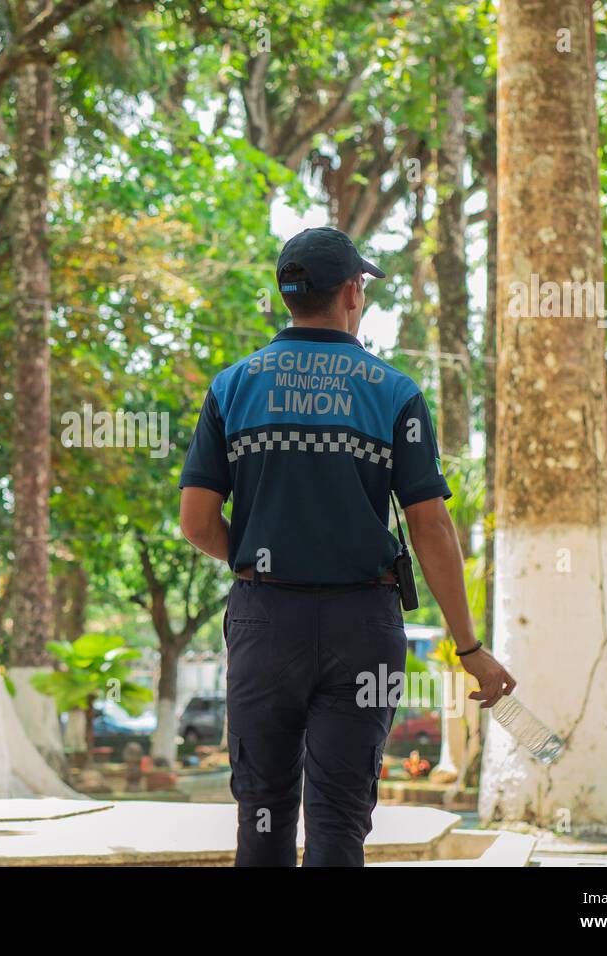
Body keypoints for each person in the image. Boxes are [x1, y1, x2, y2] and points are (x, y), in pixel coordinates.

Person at [178, 226, 516, 866]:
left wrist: (262, 559)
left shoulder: (232, 388)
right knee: (338, 822)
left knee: (263, 818)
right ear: (353, 293)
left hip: (263, 620)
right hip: (362, 627)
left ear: (287, 296)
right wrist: (468, 648)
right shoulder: (394, 393)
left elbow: (197, 522)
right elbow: (431, 528)